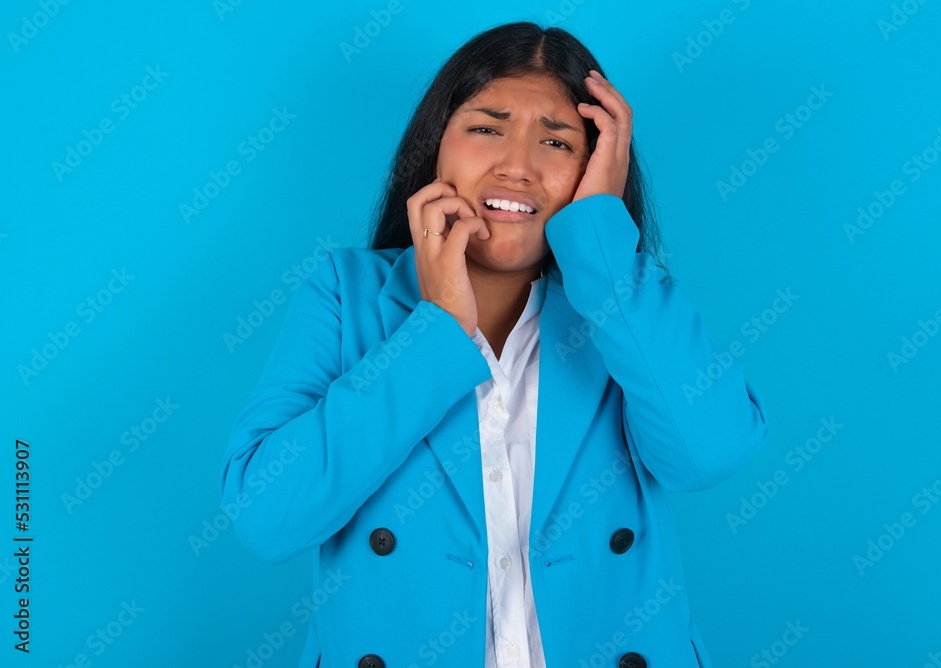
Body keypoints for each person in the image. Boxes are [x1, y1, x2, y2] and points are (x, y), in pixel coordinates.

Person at [221, 21, 768, 668]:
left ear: (595, 171)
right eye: (487, 128)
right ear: (437, 147)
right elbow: (268, 517)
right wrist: (437, 331)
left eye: (558, 141)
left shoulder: (626, 305)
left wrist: (601, 246)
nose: (519, 165)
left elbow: (710, 454)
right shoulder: (344, 294)